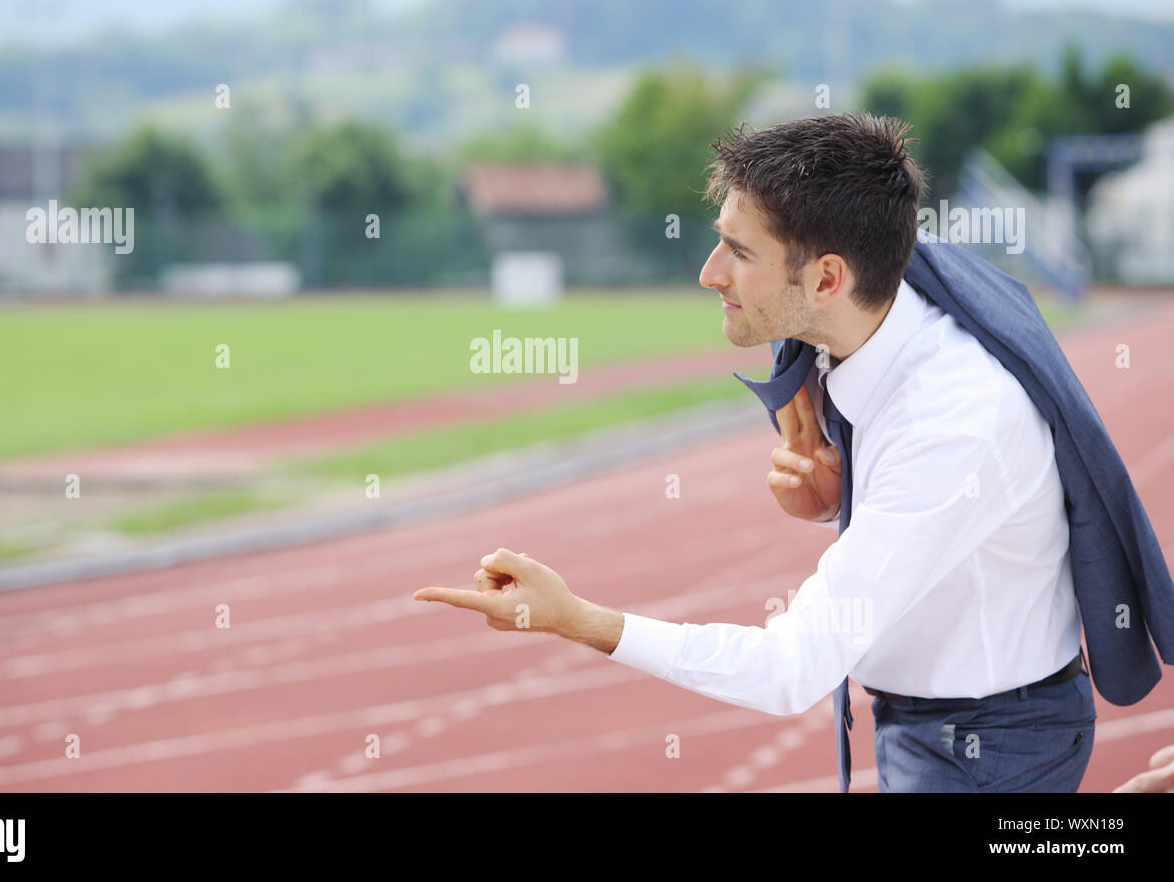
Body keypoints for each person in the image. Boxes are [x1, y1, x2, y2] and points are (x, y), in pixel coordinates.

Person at [414, 113, 1169, 792]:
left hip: (989, 751)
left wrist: (575, 618)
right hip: (945, 722)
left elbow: (788, 671)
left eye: (738, 253)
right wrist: (834, 506)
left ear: (828, 277)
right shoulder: (876, 305)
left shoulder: (952, 423)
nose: (709, 272)